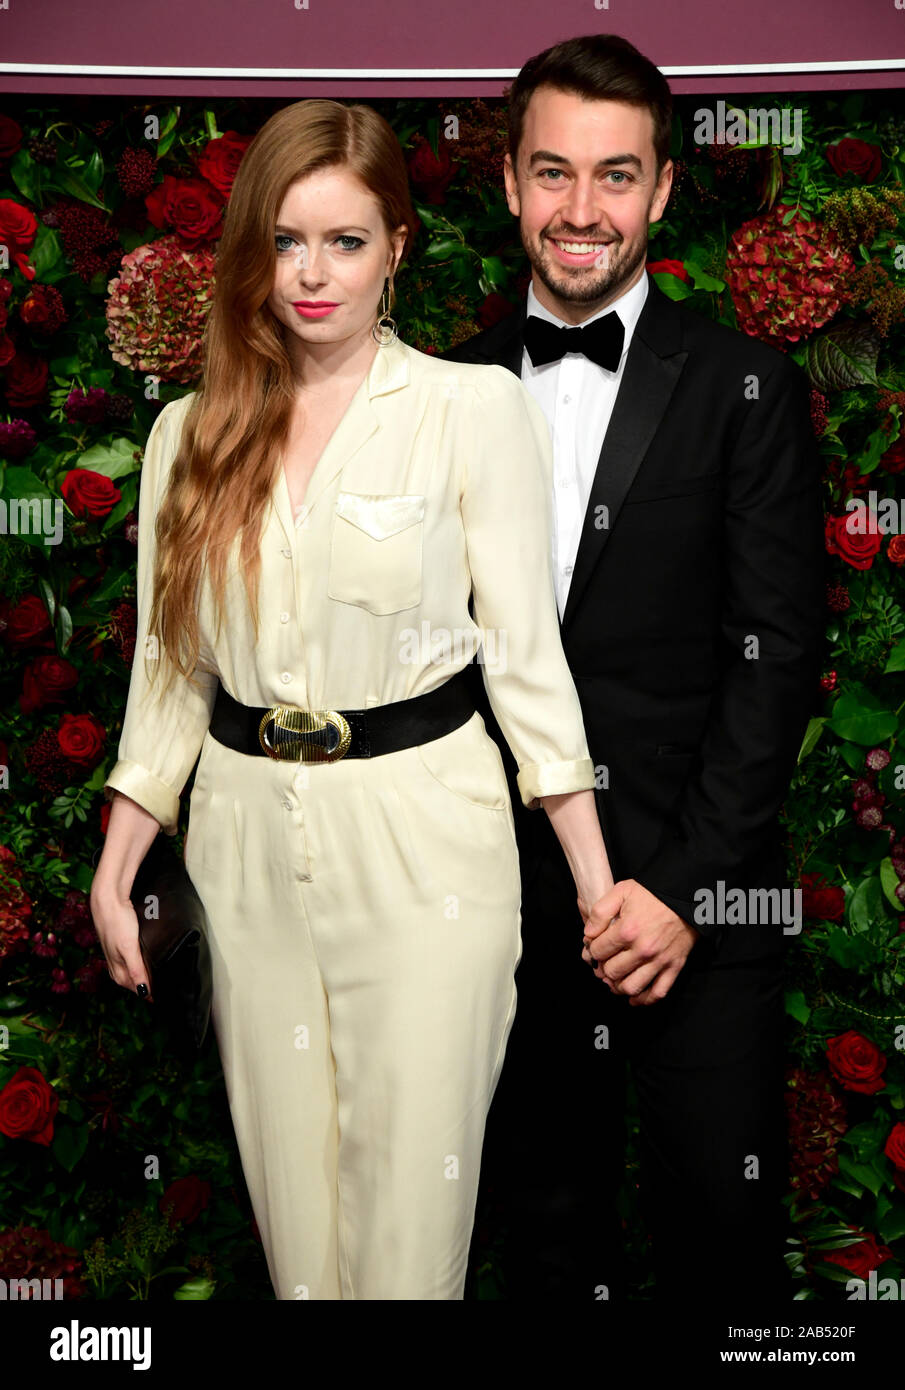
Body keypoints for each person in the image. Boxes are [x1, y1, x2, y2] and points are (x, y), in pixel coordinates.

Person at [89, 97, 615, 1301]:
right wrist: (120, 861)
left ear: (397, 249)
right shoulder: (188, 432)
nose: (311, 275)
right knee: (302, 1251)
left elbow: (524, 660)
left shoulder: (469, 410)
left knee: (403, 1245)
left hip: (425, 841)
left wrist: (593, 887)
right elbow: (170, 674)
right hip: (246, 843)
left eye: (344, 241)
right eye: (284, 241)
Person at [443, 34, 826, 1300]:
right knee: (539, 1254)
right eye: (552, 173)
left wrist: (673, 889)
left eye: (616, 176)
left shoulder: (746, 387)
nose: (580, 209)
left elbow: (771, 665)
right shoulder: (437, 393)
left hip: (693, 911)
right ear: (507, 182)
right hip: (499, 912)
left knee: (722, 1253)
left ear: (662, 190)